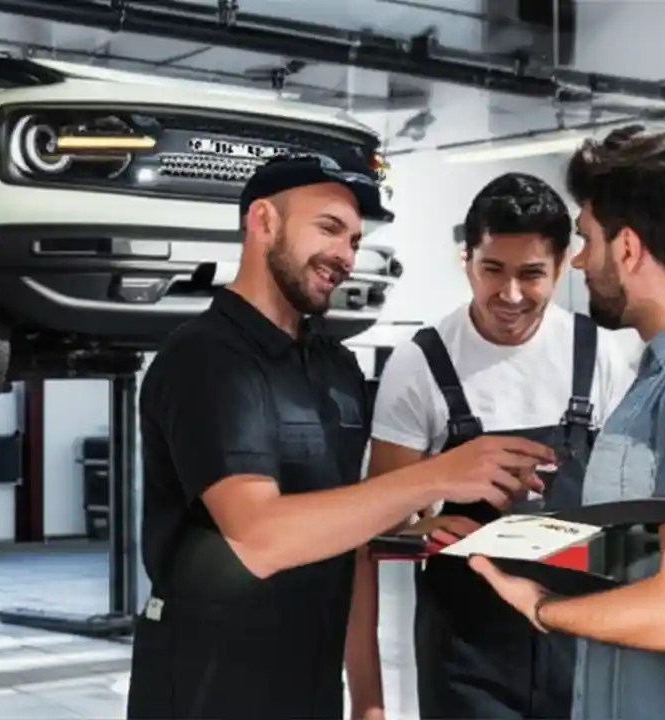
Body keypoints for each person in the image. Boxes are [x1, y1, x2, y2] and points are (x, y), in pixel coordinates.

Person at [124, 152, 556, 720]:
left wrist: (370, 699)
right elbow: (260, 537)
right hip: (206, 688)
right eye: (328, 228)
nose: (345, 255)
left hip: (312, 686)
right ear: (263, 222)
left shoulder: (336, 370)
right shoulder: (206, 359)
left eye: (354, 239)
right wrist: (439, 474)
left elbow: (352, 546)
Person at [470, 125, 665, 720]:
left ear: (628, 249)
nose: (583, 263)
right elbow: (654, 550)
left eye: (588, 241)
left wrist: (540, 606)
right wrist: (529, 537)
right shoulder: (661, 372)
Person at [345, 173, 636, 720]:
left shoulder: (597, 354)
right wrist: (414, 530)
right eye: (491, 270)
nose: (510, 295)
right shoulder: (421, 364)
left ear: (562, 264)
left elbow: (630, 515)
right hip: (465, 662)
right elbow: (375, 531)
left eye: (532, 275)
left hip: (580, 644)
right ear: (467, 260)